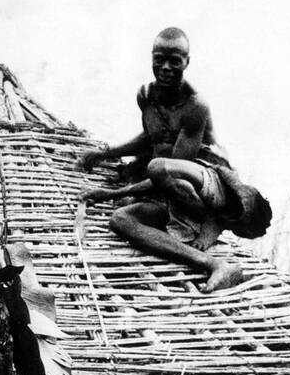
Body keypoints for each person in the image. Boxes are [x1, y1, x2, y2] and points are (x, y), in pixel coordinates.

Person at [76, 27, 270, 292]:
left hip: (204, 183)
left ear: (187, 62)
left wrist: (110, 193)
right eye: (159, 59)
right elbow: (152, 138)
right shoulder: (146, 95)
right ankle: (213, 264)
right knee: (120, 219)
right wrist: (106, 153)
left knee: (155, 169)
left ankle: (213, 219)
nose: (166, 67)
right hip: (174, 191)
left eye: (175, 61)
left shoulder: (195, 107)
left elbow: (167, 171)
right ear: (151, 58)